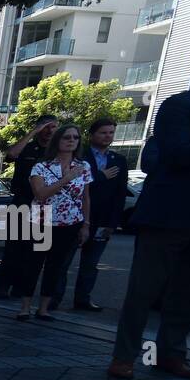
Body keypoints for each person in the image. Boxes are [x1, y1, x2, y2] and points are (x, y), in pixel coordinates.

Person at [109, 67, 190, 380]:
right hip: (167, 216)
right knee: (143, 291)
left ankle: (170, 355)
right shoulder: (181, 105)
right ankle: (124, 357)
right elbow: (175, 155)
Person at [50, 118, 127, 311]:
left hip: (102, 220)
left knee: (90, 264)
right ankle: (53, 298)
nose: (107, 136)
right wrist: (101, 176)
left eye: (111, 132)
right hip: (75, 217)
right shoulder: (78, 157)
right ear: (92, 135)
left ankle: (83, 299)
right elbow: (67, 184)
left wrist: (113, 222)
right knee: (63, 261)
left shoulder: (118, 160)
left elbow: (119, 194)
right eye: (103, 132)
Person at [18, 123, 91, 320]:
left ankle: (43, 308)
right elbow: (41, 195)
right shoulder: (41, 166)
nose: (71, 141)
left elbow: (85, 198)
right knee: (33, 263)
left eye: (75, 137)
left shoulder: (83, 167)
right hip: (42, 219)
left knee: (56, 266)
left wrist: (86, 224)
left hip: (70, 222)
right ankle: (25, 307)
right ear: (57, 140)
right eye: (67, 137)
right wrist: (65, 179)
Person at [0, 115, 58, 298]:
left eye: (54, 127)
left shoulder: (56, 152)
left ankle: (21, 289)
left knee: (35, 252)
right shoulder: (28, 147)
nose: (50, 131)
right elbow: (11, 155)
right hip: (22, 202)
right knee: (13, 249)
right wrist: (33, 132)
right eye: (46, 127)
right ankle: (3, 287)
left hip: (44, 205)